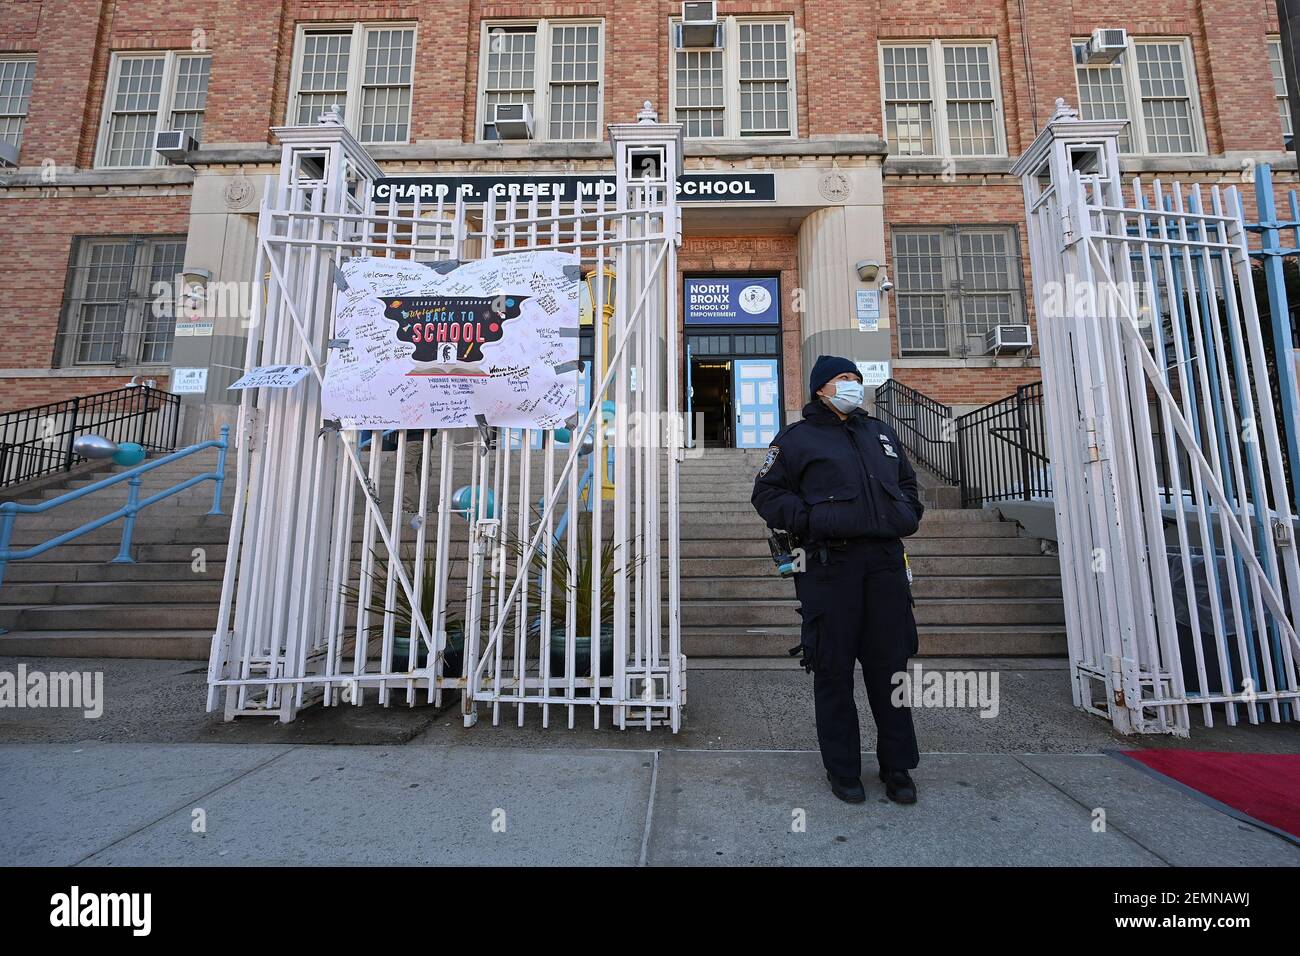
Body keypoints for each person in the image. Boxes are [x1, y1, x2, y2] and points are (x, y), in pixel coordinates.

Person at [751, 355, 924, 804]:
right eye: (844, 379)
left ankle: (897, 767)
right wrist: (810, 519)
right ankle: (843, 769)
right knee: (832, 670)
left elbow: (908, 486)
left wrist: (905, 514)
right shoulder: (796, 439)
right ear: (821, 388)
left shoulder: (881, 434)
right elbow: (766, 492)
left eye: (856, 379)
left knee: (892, 671)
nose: (853, 385)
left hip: (884, 564)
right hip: (828, 568)